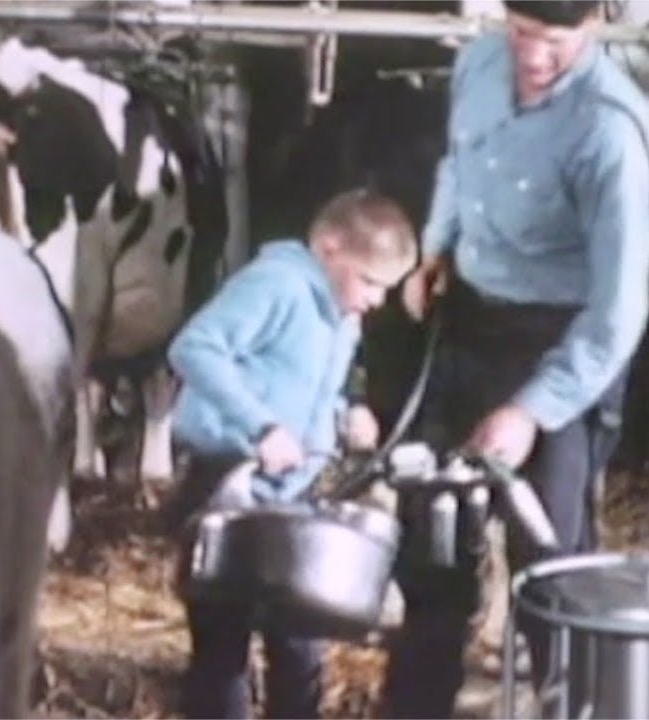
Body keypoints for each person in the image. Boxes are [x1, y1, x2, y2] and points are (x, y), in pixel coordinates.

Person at [383, 1, 649, 717]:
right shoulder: (478, 62)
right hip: (471, 319)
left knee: (551, 564)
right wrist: (435, 244)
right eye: (520, 33)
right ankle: (416, 705)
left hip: (562, 344)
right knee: (433, 531)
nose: (531, 56)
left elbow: (618, 314)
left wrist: (532, 410)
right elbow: (458, 159)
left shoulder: (613, 133)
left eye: (553, 40)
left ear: (596, 25)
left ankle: (566, 705)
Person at [166, 188, 417, 719]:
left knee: (302, 642)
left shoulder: (343, 317)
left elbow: (315, 384)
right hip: (225, 482)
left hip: (289, 494)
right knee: (222, 648)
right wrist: (261, 426)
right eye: (370, 281)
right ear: (329, 247)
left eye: (387, 289)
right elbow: (194, 347)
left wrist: (346, 411)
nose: (376, 300)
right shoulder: (276, 285)